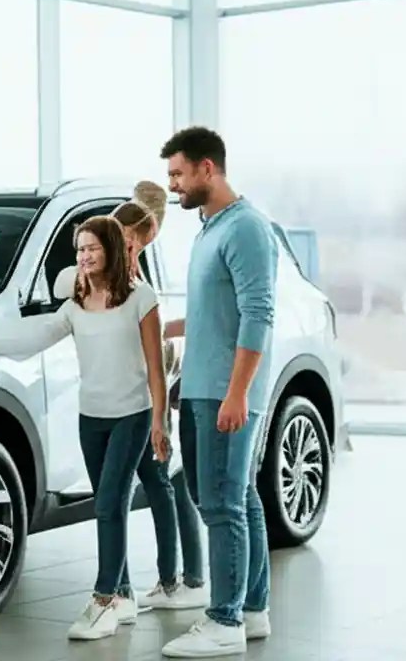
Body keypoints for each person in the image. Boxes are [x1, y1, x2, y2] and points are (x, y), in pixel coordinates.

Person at [0, 216, 167, 641]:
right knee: (109, 503)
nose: (83, 257)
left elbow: (156, 368)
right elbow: (34, 335)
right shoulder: (76, 304)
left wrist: (159, 421)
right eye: (79, 250)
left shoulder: (142, 297)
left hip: (132, 415)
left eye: (91, 248)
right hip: (92, 418)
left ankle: (103, 599)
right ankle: (123, 594)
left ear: (110, 249)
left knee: (109, 503)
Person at [53, 188, 209, 612]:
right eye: (117, 243)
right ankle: (137, 587)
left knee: (162, 479)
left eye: (130, 243)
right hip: (131, 390)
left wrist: (164, 334)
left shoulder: (138, 281)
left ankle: (180, 580)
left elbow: (150, 330)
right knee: (152, 483)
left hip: (147, 386)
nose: (123, 250)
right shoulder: (107, 272)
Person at [157, 127, 275, 658]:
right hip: (201, 387)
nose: (173, 185)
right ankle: (252, 609)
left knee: (221, 503)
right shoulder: (209, 227)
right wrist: (169, 326)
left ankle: (223, 621)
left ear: (209, 169)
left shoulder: (246, 227)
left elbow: (258, 314)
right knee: (238, 497)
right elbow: (217, 309)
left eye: (179, 174)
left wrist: (238, 395)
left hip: (226, 392)